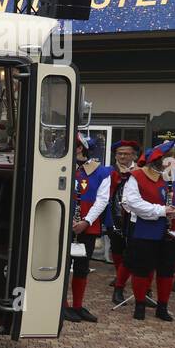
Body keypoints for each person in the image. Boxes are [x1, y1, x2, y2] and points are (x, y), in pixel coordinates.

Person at [123, 141, 175, 322]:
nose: (173, 161)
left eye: (174, 157)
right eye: (169, 157)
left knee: (167, 270)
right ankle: (140, 304)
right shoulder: (138, 176)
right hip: (146, 229)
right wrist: (161, 211)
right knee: (142, 269)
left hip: (173, 230)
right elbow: (133, 202)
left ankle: (162, 306)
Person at [64, 134, 111, 324]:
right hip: (63, 225)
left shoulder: (101, 172)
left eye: (75, 145)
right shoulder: (62, 165)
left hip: (87, 227)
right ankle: (62, 305)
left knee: (82, 267)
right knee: (63, 267)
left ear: (81, 148)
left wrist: (87, 221)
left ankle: (77, 305)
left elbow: (102, 200)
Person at [106, 140, 139, 304]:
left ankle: (133, 283)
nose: (123, 156)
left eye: (127, 153)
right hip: (114, 216)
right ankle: (119, 276)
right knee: (117, 248)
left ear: (133, 155)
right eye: (120, 153)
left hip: (134, 218)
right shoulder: (109, 171)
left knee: (133, 252)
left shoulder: (141, 171)